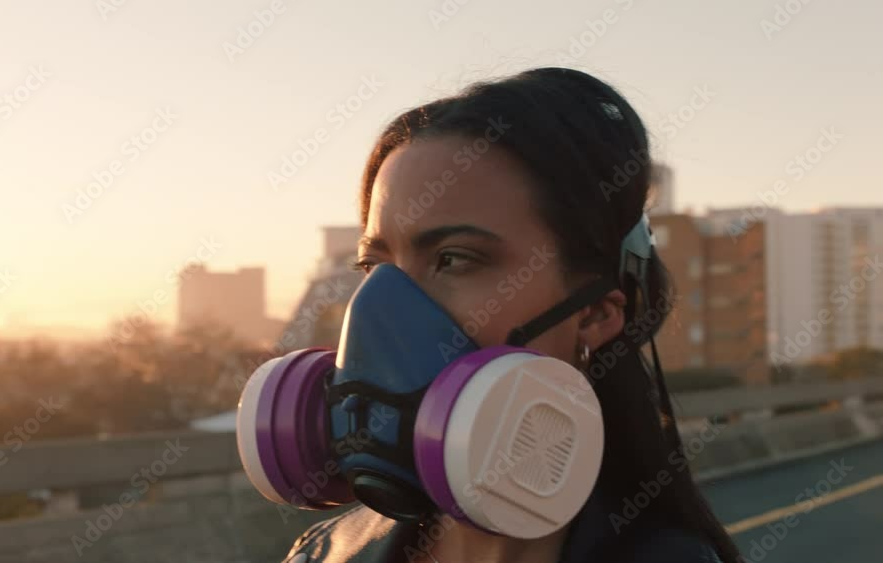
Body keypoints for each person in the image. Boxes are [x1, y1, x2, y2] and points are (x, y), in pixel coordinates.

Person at [279, 67, 740, 563]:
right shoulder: (323, 554)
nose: (379, 308)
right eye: (375, 265)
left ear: (594, 314)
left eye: (454, 258)